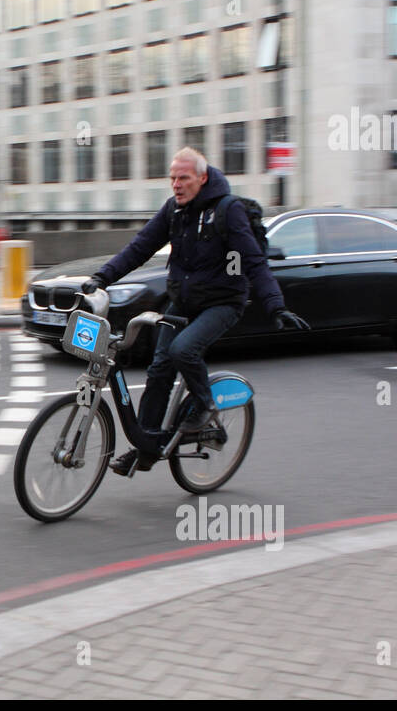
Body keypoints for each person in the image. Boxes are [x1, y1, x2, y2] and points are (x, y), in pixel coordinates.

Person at [82, 148, 309, 476]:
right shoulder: (174, 210)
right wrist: (102, 276)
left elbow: (254, 261)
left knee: (182, 349)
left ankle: (205, 404)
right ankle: (146, 446)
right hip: (185, 302)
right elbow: (141, 246)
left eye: (183, 178)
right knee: (159, 369)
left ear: (202, 178)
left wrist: (276, 304)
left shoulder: (227, 211)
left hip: (223, 302)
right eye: (172, 178)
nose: (176, 184)